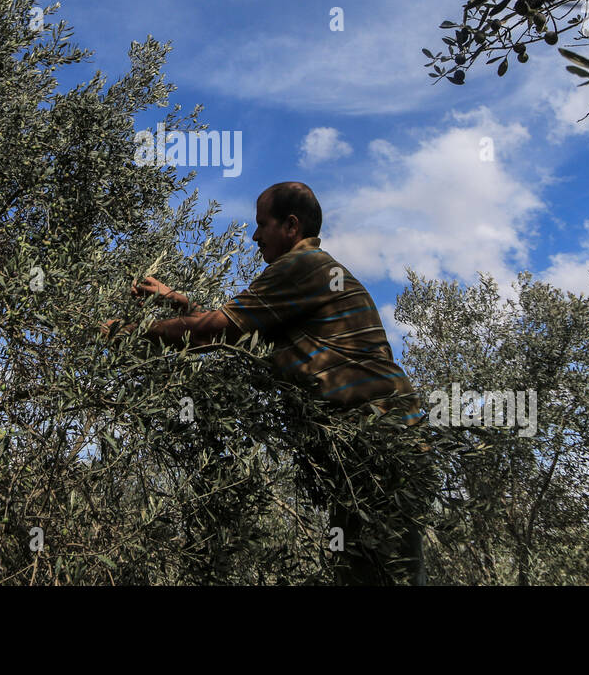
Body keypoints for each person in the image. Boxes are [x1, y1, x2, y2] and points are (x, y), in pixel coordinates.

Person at [103, 181, 429, 584]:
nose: (255, 236)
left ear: (291, 226)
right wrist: (183, 303)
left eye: (262, 225)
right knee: (359, 569)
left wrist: (129, 332)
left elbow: (216, 333)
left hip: (381, 445)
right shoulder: (312, 274)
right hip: (381, 445)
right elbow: (247, 339)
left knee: (378, 573)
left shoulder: (302, 266)